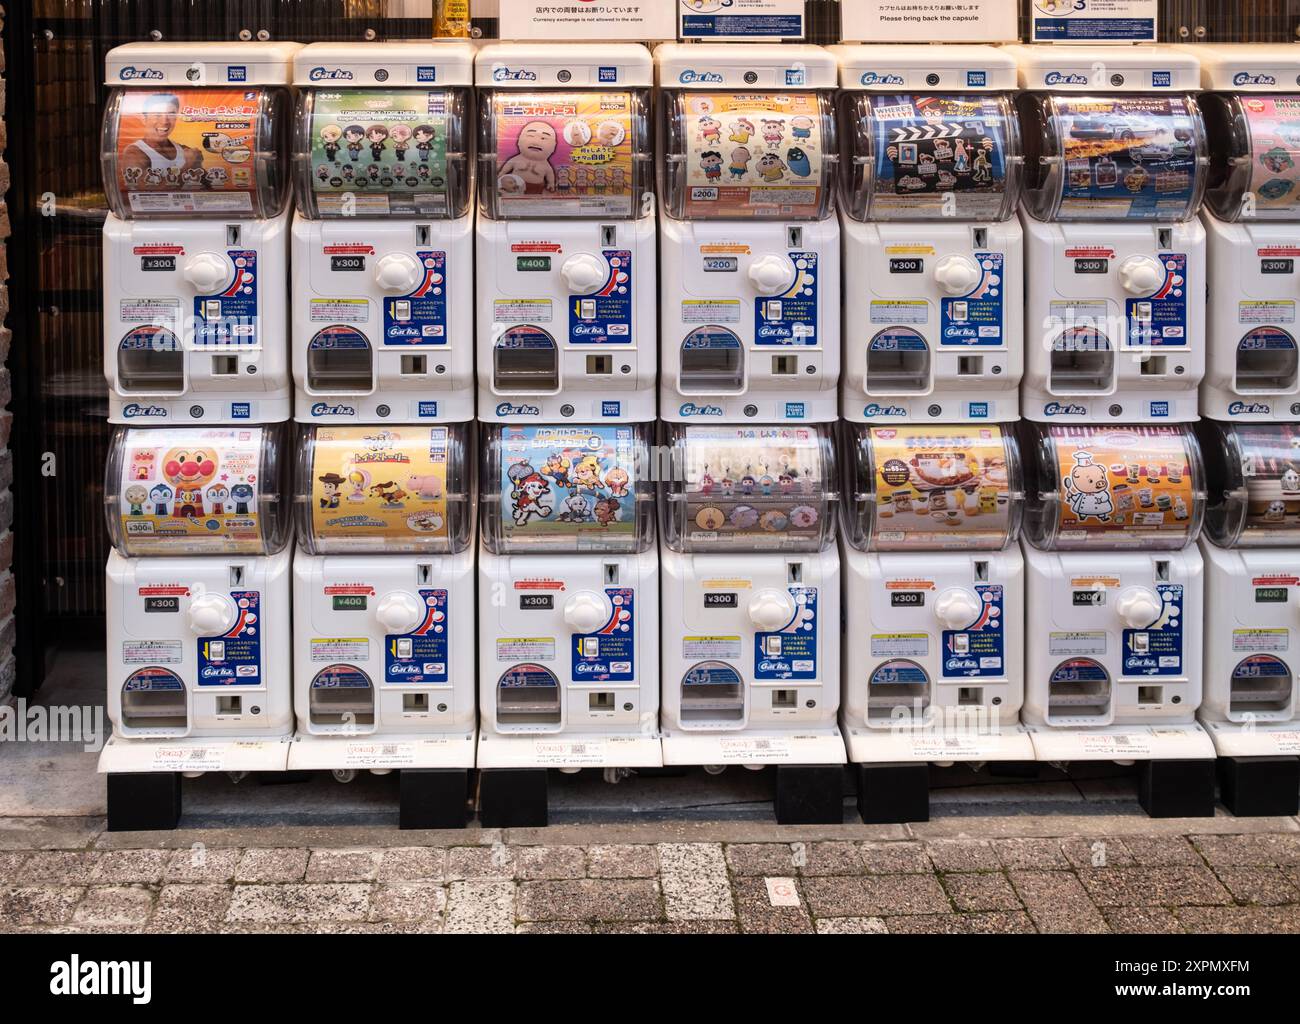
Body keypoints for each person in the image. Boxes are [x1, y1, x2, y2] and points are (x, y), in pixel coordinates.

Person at [120, 93, 202, 184]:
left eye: (171, 114)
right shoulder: (134, 153)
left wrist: (197, 163)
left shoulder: (184, 150)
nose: (164, 122)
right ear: (143, 118)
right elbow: (147, 188)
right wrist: (188, 165)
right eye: (157, 114)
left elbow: (208, 185)